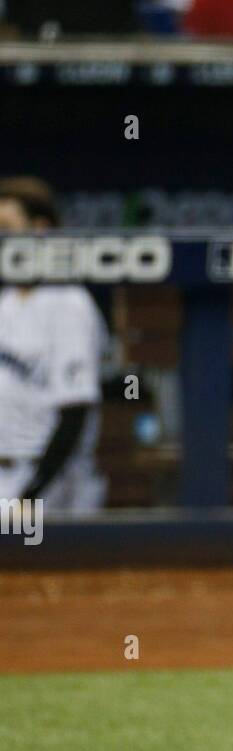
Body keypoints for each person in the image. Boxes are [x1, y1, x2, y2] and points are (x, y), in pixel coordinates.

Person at [0, 178, 108, 514]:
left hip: (49, 481)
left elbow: (75, 412)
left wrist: (31, 496)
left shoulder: (68, 302)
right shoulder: (7, 300)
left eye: (6, 228)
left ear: (40, 229)